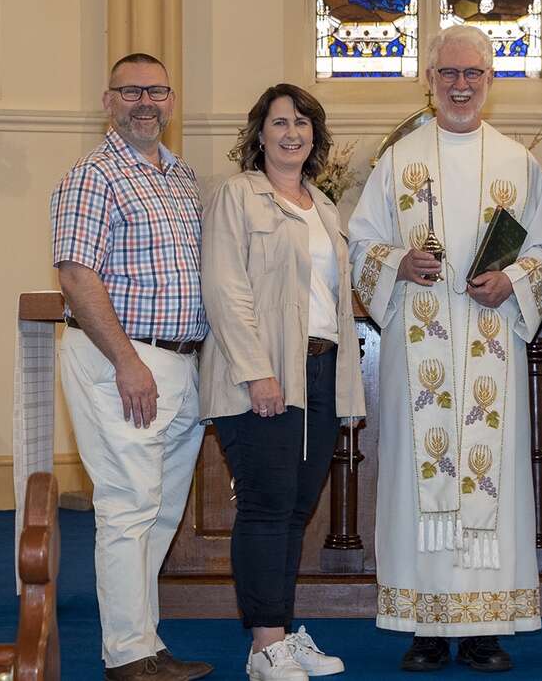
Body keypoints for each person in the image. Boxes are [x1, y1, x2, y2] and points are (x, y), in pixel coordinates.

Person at [348, 24, 542, 673]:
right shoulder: (399, 162)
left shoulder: (516, 164)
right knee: (419, 483)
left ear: (490, 82)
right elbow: (360, 245)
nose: (460, 86)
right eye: (449, 74)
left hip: (492, 348)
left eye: (473, 74)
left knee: (491, 479)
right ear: (429, 81)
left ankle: (487, 626)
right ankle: (424, 624)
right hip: (424, 358)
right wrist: (397, 262)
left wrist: (514, 279)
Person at [50, 53, 213, 681]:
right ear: (108, 100)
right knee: (127, 504)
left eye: (157, 91)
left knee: (162, 511)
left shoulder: (181, 176)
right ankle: (126, 654)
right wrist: (127, 361)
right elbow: (75, 275)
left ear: (172, 100)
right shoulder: (93, 176)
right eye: (131, 91)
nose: (145, 102)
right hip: (123, 359)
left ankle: (144, 639)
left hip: (178, 362)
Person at [201, 84, 367, 681]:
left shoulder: (322, 205)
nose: (292, 132)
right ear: (259, 134)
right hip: (263, 375)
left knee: (297, 508)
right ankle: (265, 645)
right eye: (279, 123)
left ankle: (279, 633)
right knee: (267, 507)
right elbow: (225, 290)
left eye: (303, 122)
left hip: (319, 371)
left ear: (315, 136)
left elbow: (331, 302)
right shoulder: (236, 197)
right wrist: (258, 373)